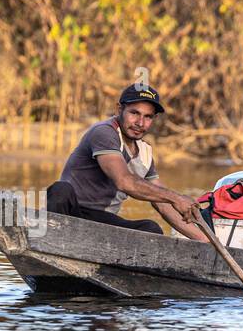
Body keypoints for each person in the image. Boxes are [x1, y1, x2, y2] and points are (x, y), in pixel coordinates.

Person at [46, 84, 209, 241]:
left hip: (101, 222)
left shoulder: (145, 152)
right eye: (134, 113)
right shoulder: (104, 132)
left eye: (148, 117)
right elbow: (124, 181)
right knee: (61, 190)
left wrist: (205, 241)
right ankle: (51, 242)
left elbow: (163, 205)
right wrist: (177, 198)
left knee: (150, 229)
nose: (140, 123)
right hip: (72, 213)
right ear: (119, 109)